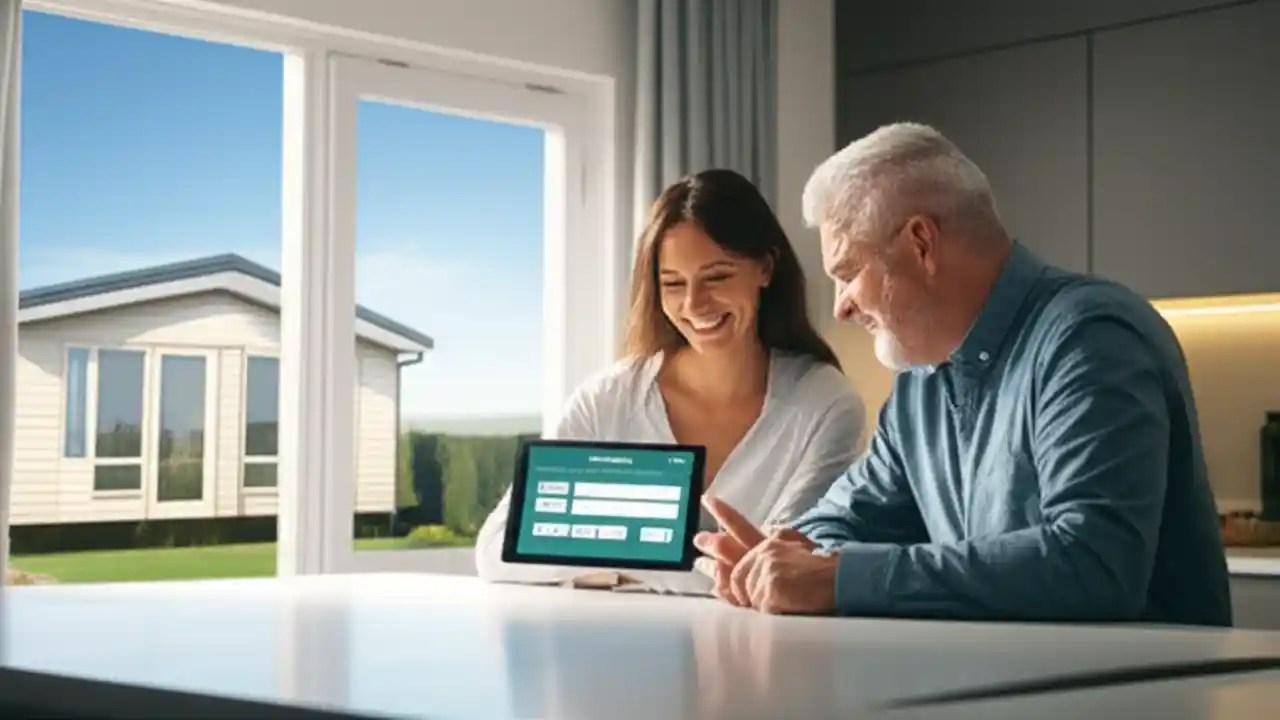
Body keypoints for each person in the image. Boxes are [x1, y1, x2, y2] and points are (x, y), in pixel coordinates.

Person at [694, 123, 1233, 626]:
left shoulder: (1089, 338)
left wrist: (838, 577)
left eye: (849, 272)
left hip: (1142, 684)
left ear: (921, 244)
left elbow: (1095, 564)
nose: (841, 307)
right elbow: (846, 518)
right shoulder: (921, 383)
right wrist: (785, 554)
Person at [475, 169, 865, 594]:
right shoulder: (607, 400)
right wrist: (624, 571)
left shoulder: (824, 403)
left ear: (766, 269)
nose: (695, 304)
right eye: (674, 284)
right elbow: (497, 549)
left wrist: (617, 557)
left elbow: (781, 569)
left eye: (716, 277)